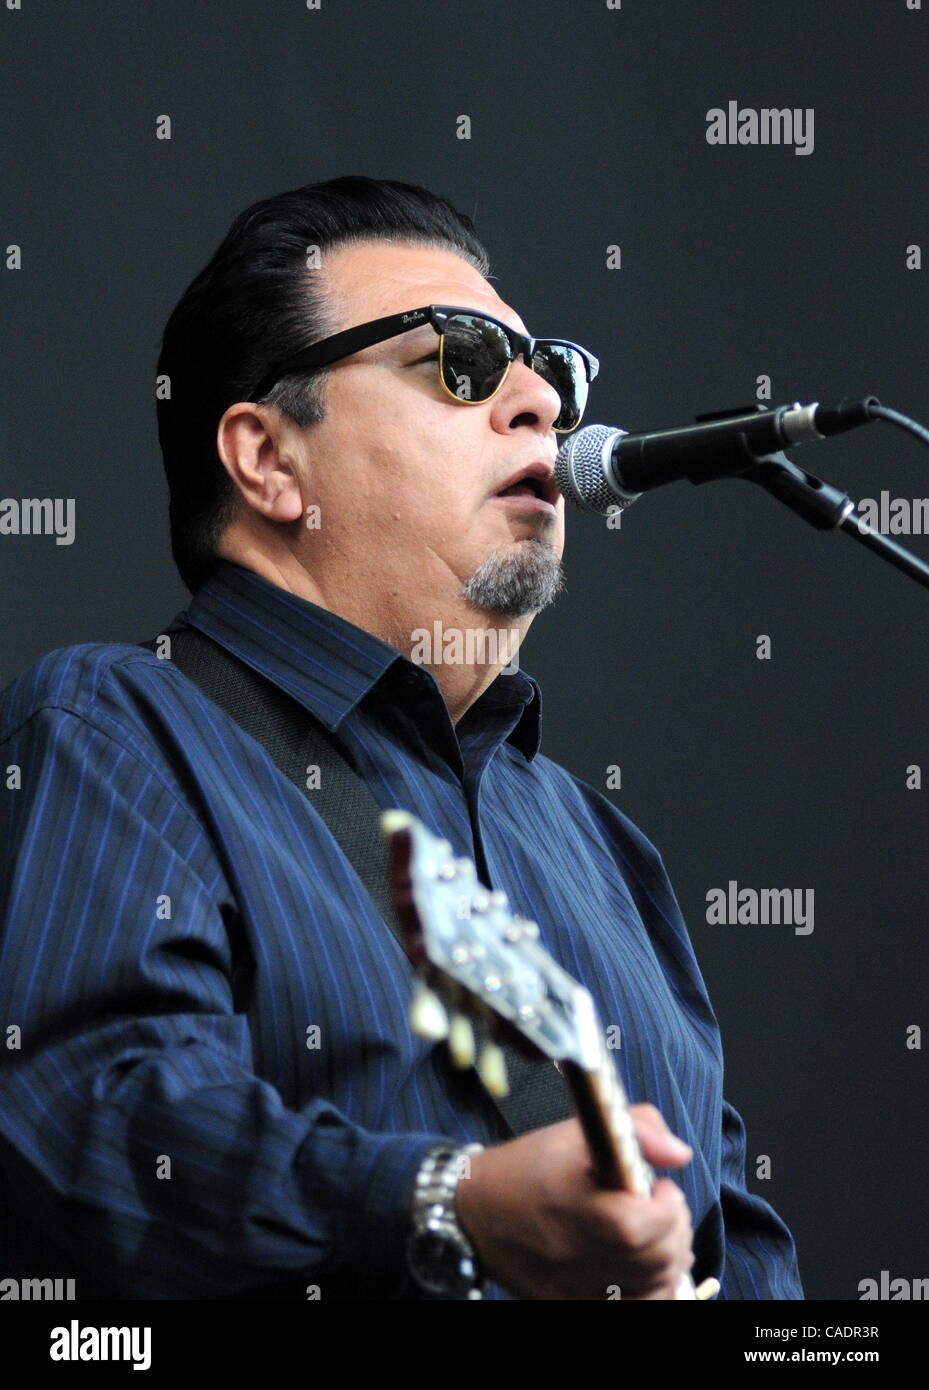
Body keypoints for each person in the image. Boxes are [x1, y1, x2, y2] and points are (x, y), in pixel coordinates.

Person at [0, 175, 803, 1301]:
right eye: (460, 361)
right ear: (269, 460)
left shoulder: (600, 845)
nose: (538, 401)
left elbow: (741, 1246)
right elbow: (102, 1115)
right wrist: (448, 1203)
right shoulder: (113, 727)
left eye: (551, 372)